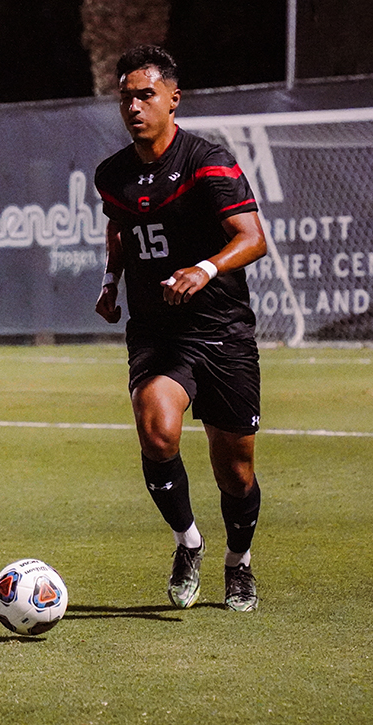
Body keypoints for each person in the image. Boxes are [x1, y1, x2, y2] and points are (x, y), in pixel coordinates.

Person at [93, 45, 268, 612]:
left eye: (146, 95)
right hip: (157, 330)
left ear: (173, 97)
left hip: (222, 327)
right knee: (157, 430)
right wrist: (110, 282)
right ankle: (187, 542)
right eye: (126, 98)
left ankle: (238, 562)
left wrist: (206, 267)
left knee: (236, 472)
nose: (135, 107)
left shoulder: (207, 162)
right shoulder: (112, 174)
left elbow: (252, 237)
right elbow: (120, 228)